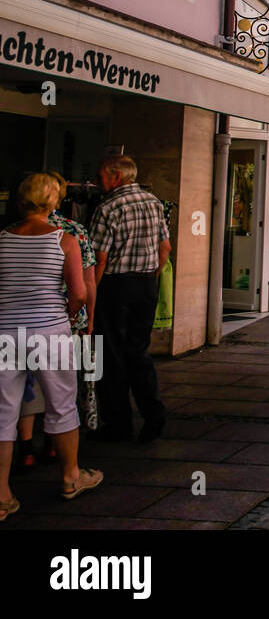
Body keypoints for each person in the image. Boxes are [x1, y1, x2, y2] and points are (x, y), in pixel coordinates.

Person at [0, 173, 103, 521]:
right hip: (50, 331)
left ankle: (2, 495)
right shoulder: (65, 239)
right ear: (53, 201)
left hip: (7, 332)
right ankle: (71, 477)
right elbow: (79, 292)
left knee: (3, 412)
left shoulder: (2, 238)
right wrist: (66, 314)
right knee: (61, 404)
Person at [16, 174, 99, 472]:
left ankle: (23, 450)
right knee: (61, 396)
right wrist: (84, 315)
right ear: (56, 199)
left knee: (18, 393)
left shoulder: (6, 235)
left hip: (11, 327)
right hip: (56, 323)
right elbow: (85, 284)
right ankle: (65, 466)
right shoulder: (70, 233)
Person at [87, 155, 170, 443]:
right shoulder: (153, 201)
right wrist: (151, 275)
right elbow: (165, 247)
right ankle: (153, 414)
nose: (97, 182)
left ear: (116, 177)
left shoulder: (107, 207)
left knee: (110, 354)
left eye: (100, 176)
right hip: (145, 284)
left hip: (114, 285)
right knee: (139, 351)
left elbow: (99, 258)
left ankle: (119, 424)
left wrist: (91, 296)